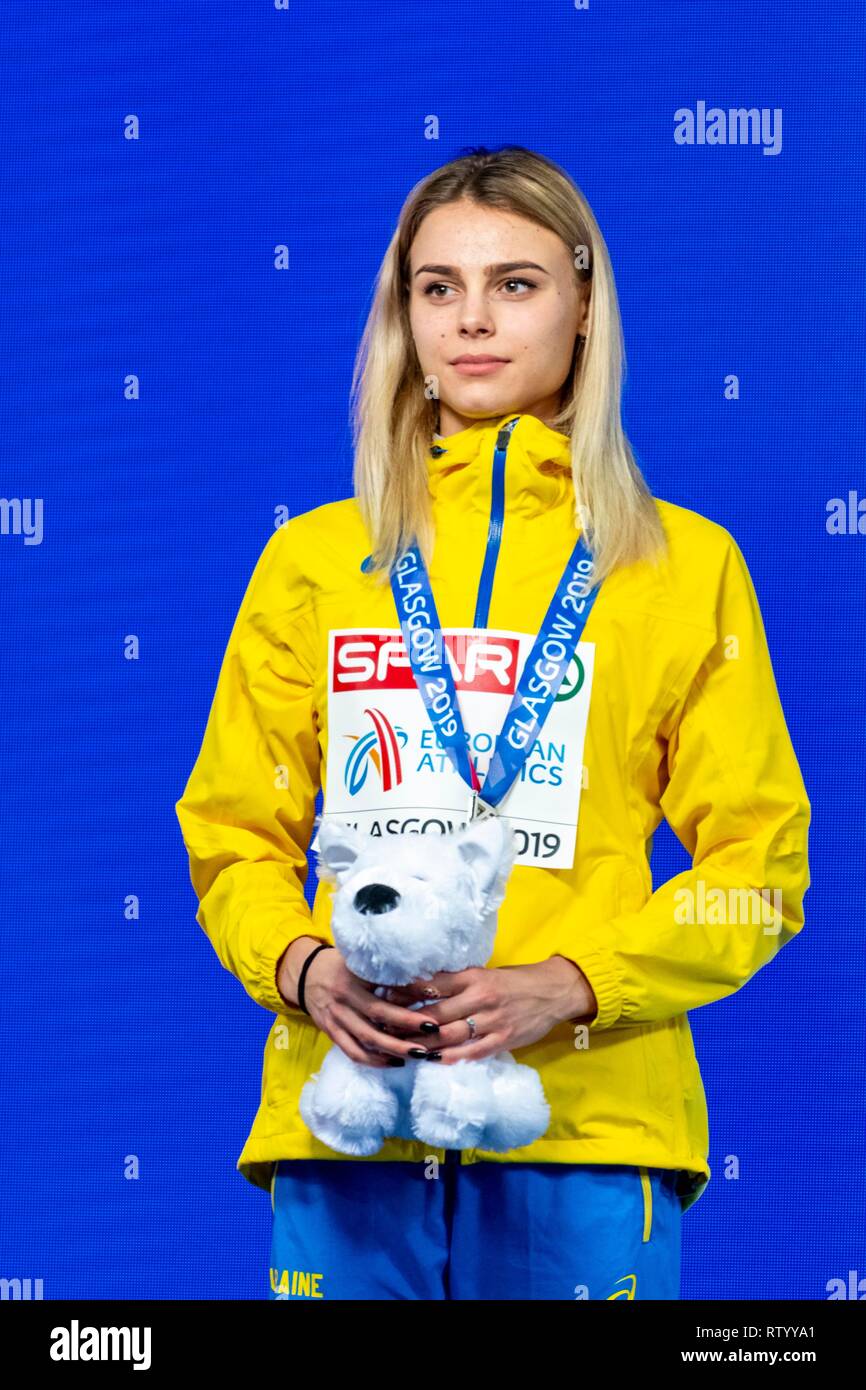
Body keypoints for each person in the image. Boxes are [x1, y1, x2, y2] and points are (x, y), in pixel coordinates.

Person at [175, 145, 811, 1301]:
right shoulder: (316, 560)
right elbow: (231, 835)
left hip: (586, 1122)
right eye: (437, 286)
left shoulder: (677, 564)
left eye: (514, 283)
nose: (471, 318)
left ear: (581, 310)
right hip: (347, 1124)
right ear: (402, 318)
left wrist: (571, 982)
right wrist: (305, 966)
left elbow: (758, 867)